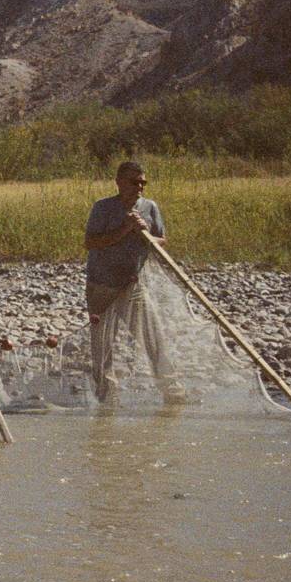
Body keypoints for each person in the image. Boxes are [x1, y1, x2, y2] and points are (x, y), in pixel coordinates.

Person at [83, 161, 179, 402]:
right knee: (103, 347)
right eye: (134, 182)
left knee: (153, 337)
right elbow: (91, 242)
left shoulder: (150, 207)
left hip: (133, 284)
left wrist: (147, 233)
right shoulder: (103, 208)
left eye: (143, 183)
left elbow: (161, 240)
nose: (139, 187)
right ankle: (106, 398)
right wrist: (125, 229)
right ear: (119, 182)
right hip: (102, 286)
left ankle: (172, 392)